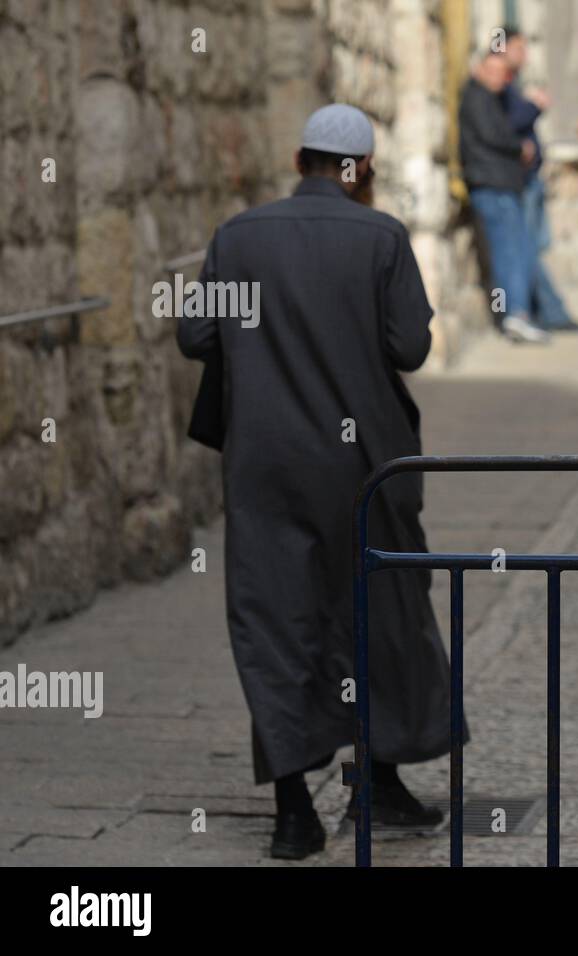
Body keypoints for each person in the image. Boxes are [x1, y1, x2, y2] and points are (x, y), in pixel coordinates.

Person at [176, 104, 457, 860]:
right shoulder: (382, 236)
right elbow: (410, 346)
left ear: (301, 159)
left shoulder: (239, 236)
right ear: (359, 169)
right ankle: (380, 778)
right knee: (381, 607)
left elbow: (196, 335)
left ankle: (294, 811)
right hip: (367, 464)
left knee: (279, 619)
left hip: (267, 462)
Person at [501, 27, 578, 334]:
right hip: (518, 181)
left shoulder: (512, 86)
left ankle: (546, 311)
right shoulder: (502, 88)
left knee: (533, 247)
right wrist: (535, 105)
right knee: (526, 249)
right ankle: (545, 312)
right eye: (519, 48)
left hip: (530, 179)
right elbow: (507, 126)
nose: (524, 56)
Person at [460, 51, 549, 344]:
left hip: (501, 185)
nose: (499, 77)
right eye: (492, 70)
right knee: (509, 253)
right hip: (493, 185)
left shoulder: (492, 97)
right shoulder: (477, 97)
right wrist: (519, 147)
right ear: (479, 70)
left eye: (503, 72)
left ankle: (516, 314)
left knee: (514, 251)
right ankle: (516, 315)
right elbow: (492, 135)